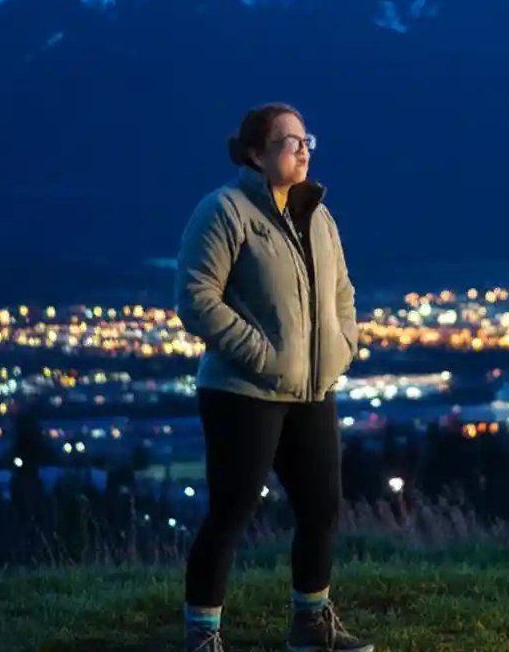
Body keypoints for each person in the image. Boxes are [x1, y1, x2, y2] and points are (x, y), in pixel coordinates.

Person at [174, 103, 373, 652]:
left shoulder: (318, 216)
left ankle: (312, 626)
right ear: (256, 154)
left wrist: (342, 346)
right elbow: (196, 298)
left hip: (313, 390)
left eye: (307, 140)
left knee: (321, 508)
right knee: (231, 512)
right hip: (243, 392)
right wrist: (261, 355)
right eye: (289, 141)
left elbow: (342, 292)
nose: (303, 150)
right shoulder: (224, 211)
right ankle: (203, 635)